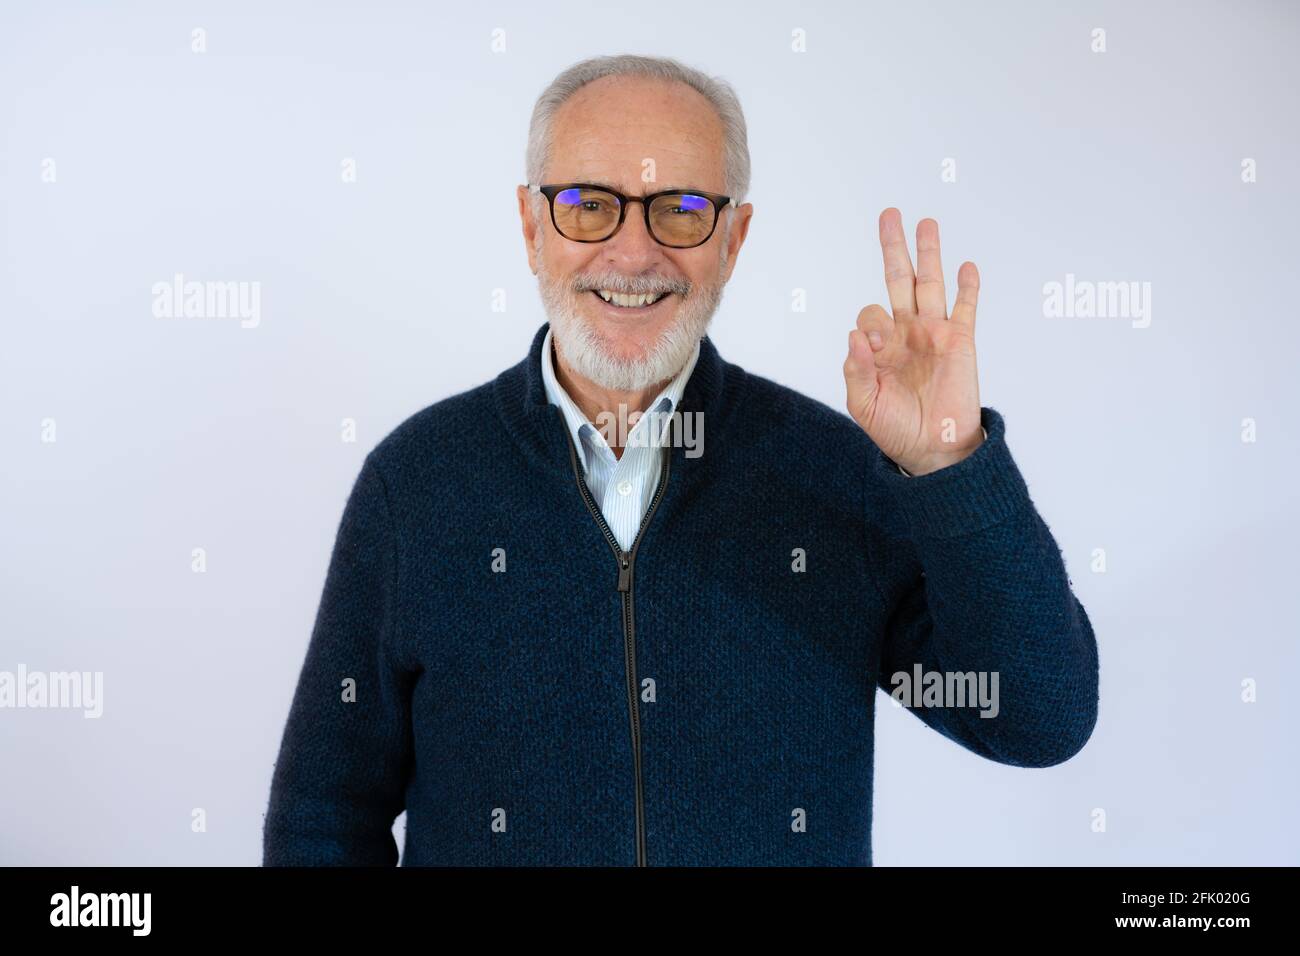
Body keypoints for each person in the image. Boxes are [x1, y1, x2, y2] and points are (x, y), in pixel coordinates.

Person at [263, 53, 1099, 866]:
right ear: (530, 226)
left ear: (732, 239)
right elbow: (323, 820)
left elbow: (1034, 717)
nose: (633, 254)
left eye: (682, 208)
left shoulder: (834, 475)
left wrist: (952, 466)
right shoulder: (416, 484)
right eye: (590, 205)